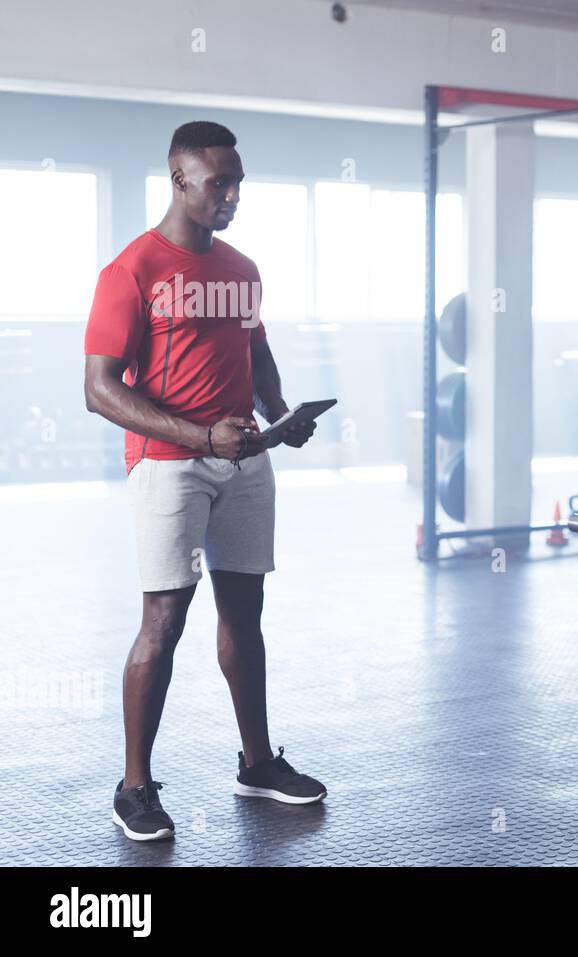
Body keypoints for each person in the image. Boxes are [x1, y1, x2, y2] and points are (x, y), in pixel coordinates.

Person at [84, 121, 326, 842]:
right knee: (164, 622)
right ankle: (134, 785)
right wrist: (200, 436)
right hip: (169, 465)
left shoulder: (242, 269)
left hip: (247, 460)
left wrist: (281, 415)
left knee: (244, 614)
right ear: (179, 180)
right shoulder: (131, 271)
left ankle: (257, 761)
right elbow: (99, 389)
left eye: (238, 181)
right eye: (218, 181)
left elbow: (257, 352)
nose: (232, 195)